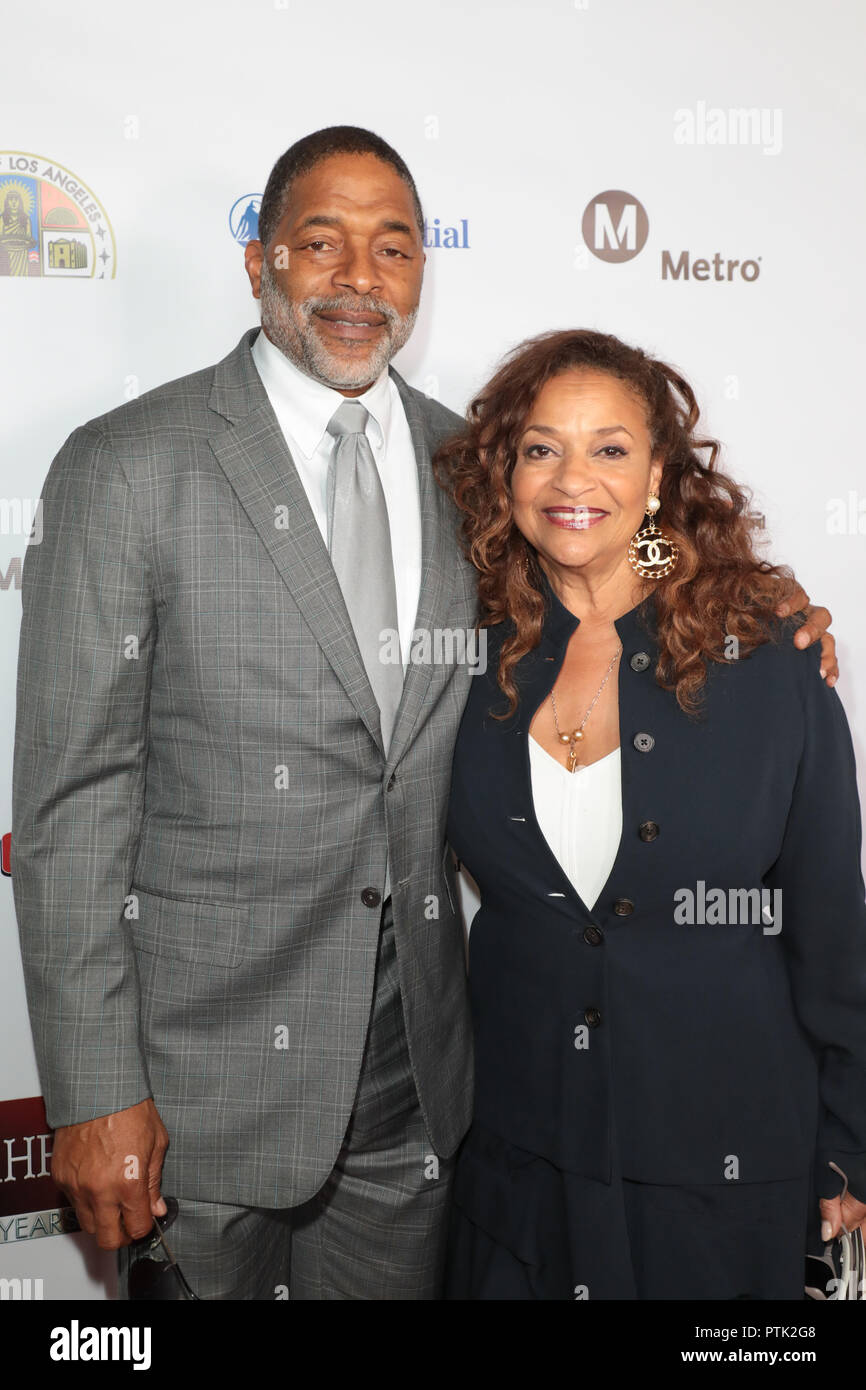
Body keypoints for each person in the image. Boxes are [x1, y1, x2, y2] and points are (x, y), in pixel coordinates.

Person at [11, 129, 836, 1302]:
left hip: (423, 1105)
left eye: (391, 248)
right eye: (320, 242)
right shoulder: (127, 468)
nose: (358, 277)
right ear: (259, 261)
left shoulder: (473, 469)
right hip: (199, 1104)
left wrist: (760, 602)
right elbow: (70, 807)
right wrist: (95, 1094)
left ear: (420, 274)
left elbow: (626, 554)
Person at [438, 328, 866, 1300]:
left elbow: (828, 926)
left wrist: (847, 1144)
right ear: (505, 471)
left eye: (609, 448)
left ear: (659, 473)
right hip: (520, 1163)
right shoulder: (462, 663)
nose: (569, 476)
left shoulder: (765, 659)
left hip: (720, 1167)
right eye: (539, 447)